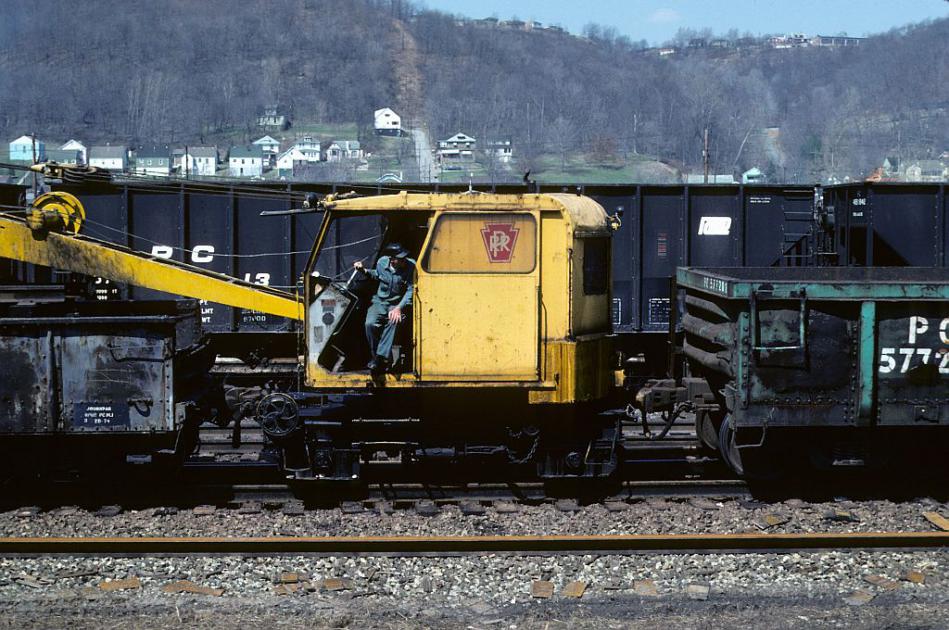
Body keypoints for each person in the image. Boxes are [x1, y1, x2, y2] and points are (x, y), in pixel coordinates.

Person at [353, 243, 414, 373]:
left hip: (397, 303)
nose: (404, 260)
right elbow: (377, 275)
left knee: (394, 321)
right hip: (380, 302)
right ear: (392, 260)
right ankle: (378, 358)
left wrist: (399, 308)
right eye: (400, 258)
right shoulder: (382, 263)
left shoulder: (411, 266)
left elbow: (410, 290)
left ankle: (380, 358)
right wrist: (363, 271)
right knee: (370, 324)